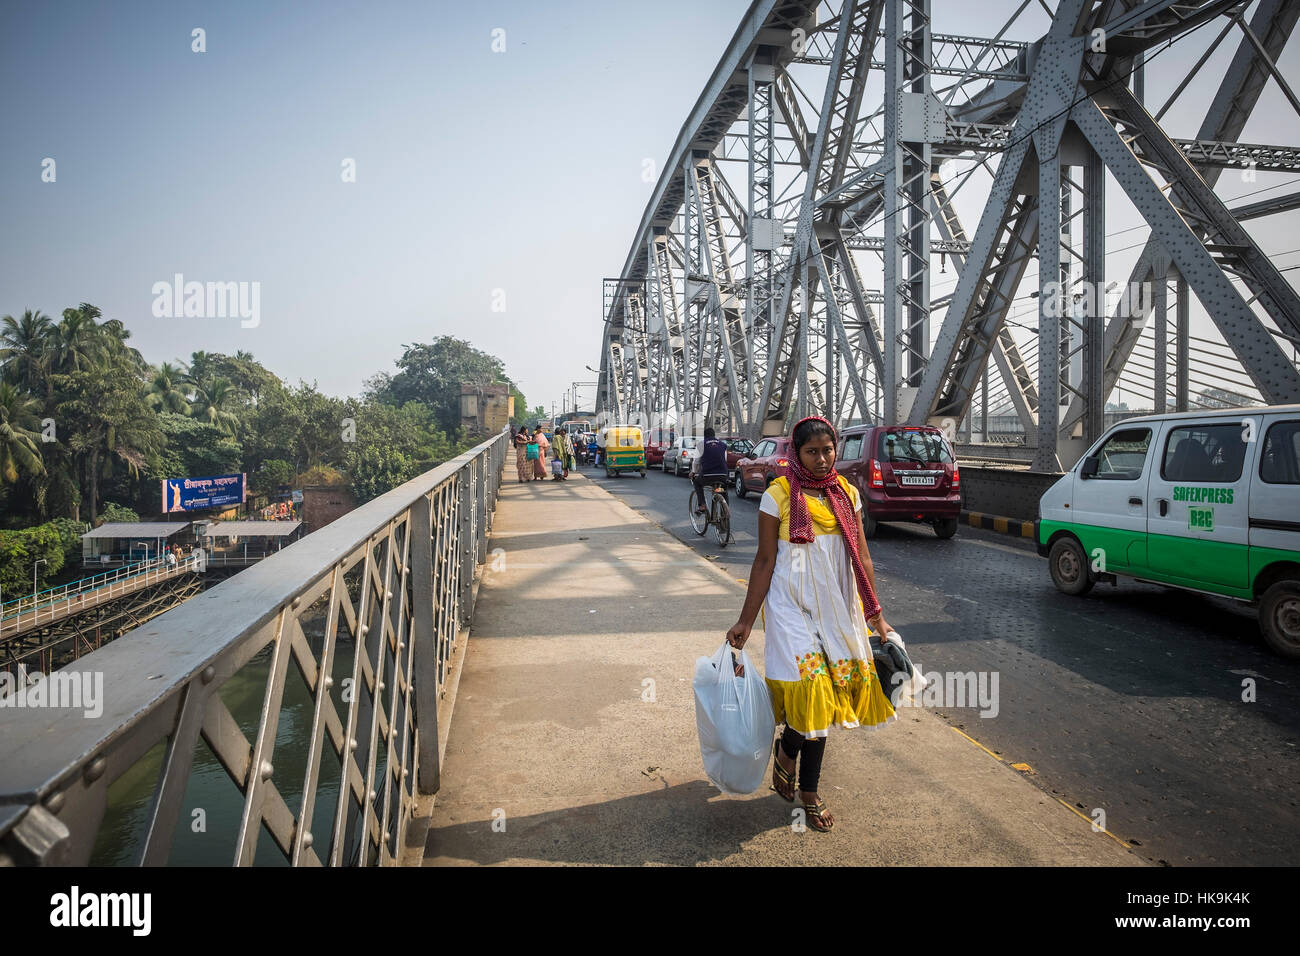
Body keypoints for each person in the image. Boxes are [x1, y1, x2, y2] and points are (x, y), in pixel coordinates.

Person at [725, 415, 896, 833]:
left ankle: (789, 756)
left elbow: (864, 557)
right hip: (790, 608)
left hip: (837, 608)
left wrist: (875, 614)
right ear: (795, 454)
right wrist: (746, 621)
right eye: (811, 452)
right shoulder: (778, 496)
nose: (822, 460)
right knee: (814, 691)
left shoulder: (847, 494)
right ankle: (809, 791)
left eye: (828, 450)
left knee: (828, 697)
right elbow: (765, 561)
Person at [692, 427, 730, 515]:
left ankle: (702, 505)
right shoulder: (722, 445)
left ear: (705, 436)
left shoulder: (701, 445)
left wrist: (693, 472)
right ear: (714, 435)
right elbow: (725, 460)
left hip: (707, 476)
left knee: (697, 483)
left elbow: (696, 462)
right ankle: (726, 510)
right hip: (723, 474)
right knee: (723, 489)